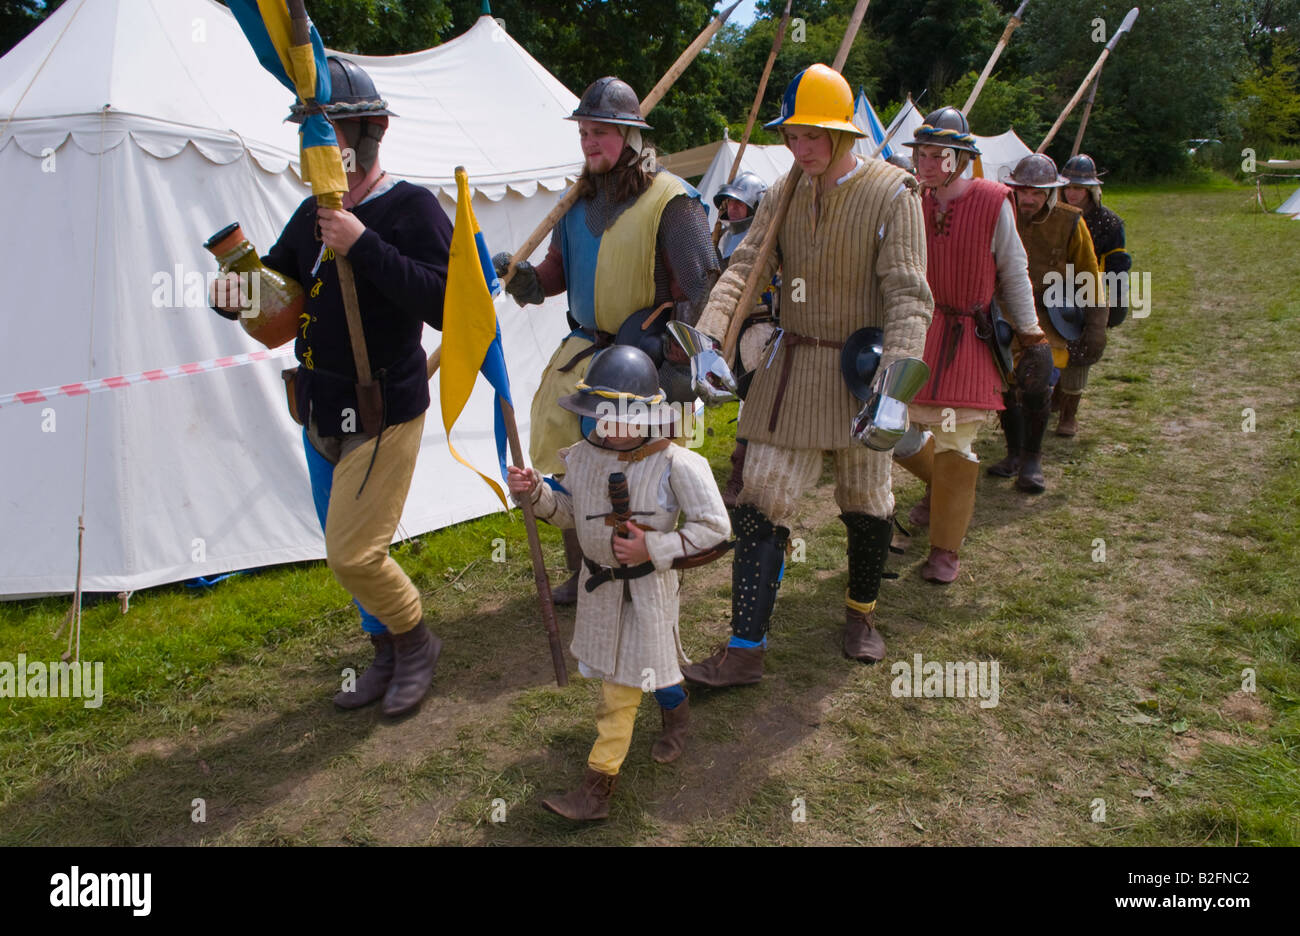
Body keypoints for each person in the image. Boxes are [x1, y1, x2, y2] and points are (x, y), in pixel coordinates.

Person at [210, 57, 451, 717]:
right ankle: (384, 655)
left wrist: (364, 243)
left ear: (371, 132)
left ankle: (417, 642)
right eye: (312, 133)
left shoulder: (411, 207)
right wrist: (236, 294)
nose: (321, 146)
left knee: (354, 553)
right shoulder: (311, 212)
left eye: (334, 131)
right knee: (342, 549)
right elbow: (281, 300)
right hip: (319, 409)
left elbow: (450, 303)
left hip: (385, 411)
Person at [678, 63, 932, 682]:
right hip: (789, 369)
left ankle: (861, 613)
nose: (800, 148)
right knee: (761, 500)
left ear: (843, 132)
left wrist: (895, 387)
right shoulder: (784, 189)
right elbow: (742, 269)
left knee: (867, 501)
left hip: (861, 372)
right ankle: (745, 649)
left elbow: (908, 295)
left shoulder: (894, 194)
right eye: (792, 135)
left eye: (813, 135)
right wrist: (709, 337)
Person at [493, 76, 719, 605]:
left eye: (601, 133)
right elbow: (556, 273)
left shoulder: (673, 201)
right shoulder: (577, 201)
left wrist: (677, 362)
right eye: (584, 133)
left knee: (646, 476)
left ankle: (651, 574)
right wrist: (527, 279)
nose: (590, 142)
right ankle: (588, 573)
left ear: (631, 137)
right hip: (585, 356)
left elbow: (700, 287)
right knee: (575, 464)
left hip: (647, 362)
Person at [507, 346, 730, 821]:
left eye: (614, 417)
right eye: (596, 417)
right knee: (646, 666)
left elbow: (715, 529)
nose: (603, 427)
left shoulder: (678, 464)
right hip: (601, 591)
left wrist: (655, 547)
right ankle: (677, 707)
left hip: (649, 591)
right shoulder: (584, 459)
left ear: (645, 416)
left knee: (619, 691)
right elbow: (569, 514)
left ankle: (596, 790)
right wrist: (538, 493)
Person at [893, 108, 1051, 584]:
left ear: (960, 159)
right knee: (893, 434)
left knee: (956, 443)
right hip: (915, 332)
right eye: (919, 153)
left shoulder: (992, 201)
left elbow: (1013, 270)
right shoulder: (908, 201)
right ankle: (945, 496)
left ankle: (945, 550)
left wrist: (1031, 334)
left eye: (935, 154)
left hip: (966, 335)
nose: (924, 162)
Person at [989, 153, 1105, 493]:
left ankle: (1032, 459)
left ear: (1050, 193)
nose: (1028, 199)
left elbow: (1088, 275)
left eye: (1037, 193)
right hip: (1001, 311)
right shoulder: (999, 213)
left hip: (1048, 316)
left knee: (1037, 386)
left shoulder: (1070, 221)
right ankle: (1012, 454)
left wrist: (1096, 326)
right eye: (1023, 190)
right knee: (1005, 387)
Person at [1055, 153, 1131, 437]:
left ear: (1090, 189)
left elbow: (1118, 265)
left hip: (1088, 291)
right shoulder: (1051, 215)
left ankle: (1068, 414)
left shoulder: (1109, 223)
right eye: (1068, 187)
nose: (1072, 193)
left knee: (1079, 351)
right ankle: (1052, 397)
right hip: (1051, 288)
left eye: (1079, 188)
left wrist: (1119, 299)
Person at [712, 170, 772, 507]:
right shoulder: (724, 239)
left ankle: (741, 479)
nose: (733, 209)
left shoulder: (767, 238)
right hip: (734, 330)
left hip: (760, 331)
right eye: (729, 203)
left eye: (739, 203)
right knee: (749, 401)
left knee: (756, 405)